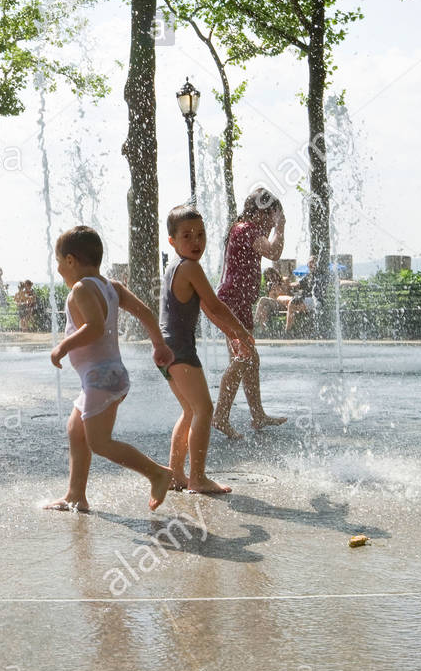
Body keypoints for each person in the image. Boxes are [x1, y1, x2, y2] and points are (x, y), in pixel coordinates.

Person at [45, 225, 174, 513]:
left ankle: (157, 473)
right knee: (76, 430)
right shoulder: (111, 287)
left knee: (100, 443)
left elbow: (94, 328)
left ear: (70, 261)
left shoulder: (81, 288)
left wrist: (63, 347)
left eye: (58, 261)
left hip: (101, 378)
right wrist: (159, 345)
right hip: (107, 375)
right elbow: (144, 311)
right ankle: (75, 495)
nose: (57, 269)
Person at [160, 205, 257, 494]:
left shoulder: (173, 267)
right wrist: (242, 334)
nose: (196, 241)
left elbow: (206, 308)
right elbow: (215, 305)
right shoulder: (190, 267)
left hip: (166, 349)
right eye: (187, 236)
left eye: (201, 234)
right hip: (180, 348)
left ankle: (177, 474)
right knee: (204, 408)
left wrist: (232, 335)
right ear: (172, 241)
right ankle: (198, 477)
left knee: (190, 410)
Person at [214, 188, 288, 438]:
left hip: (239, 305)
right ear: (258, 212)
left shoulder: (244, 228)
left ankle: (257, 415)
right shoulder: (246, 229)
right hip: (232, 304)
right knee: (244, 358)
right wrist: (281, 227)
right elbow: (274, 252)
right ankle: (220, 416)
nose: (271, 223)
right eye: (270, 217)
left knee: (249, 361)